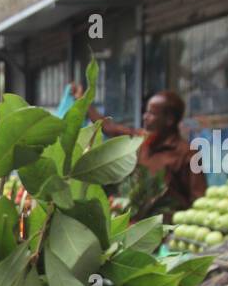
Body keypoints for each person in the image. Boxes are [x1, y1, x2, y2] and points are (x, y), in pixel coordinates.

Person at [77, 86, 205, 222]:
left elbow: (199, 199)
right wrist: (83, 100)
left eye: (151, 114)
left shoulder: (187, 153)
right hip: (136, 226)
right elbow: (108, 128)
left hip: (168, 229)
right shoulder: (141, 139)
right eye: (146, 112)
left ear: (169, 120)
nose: (145, 117)